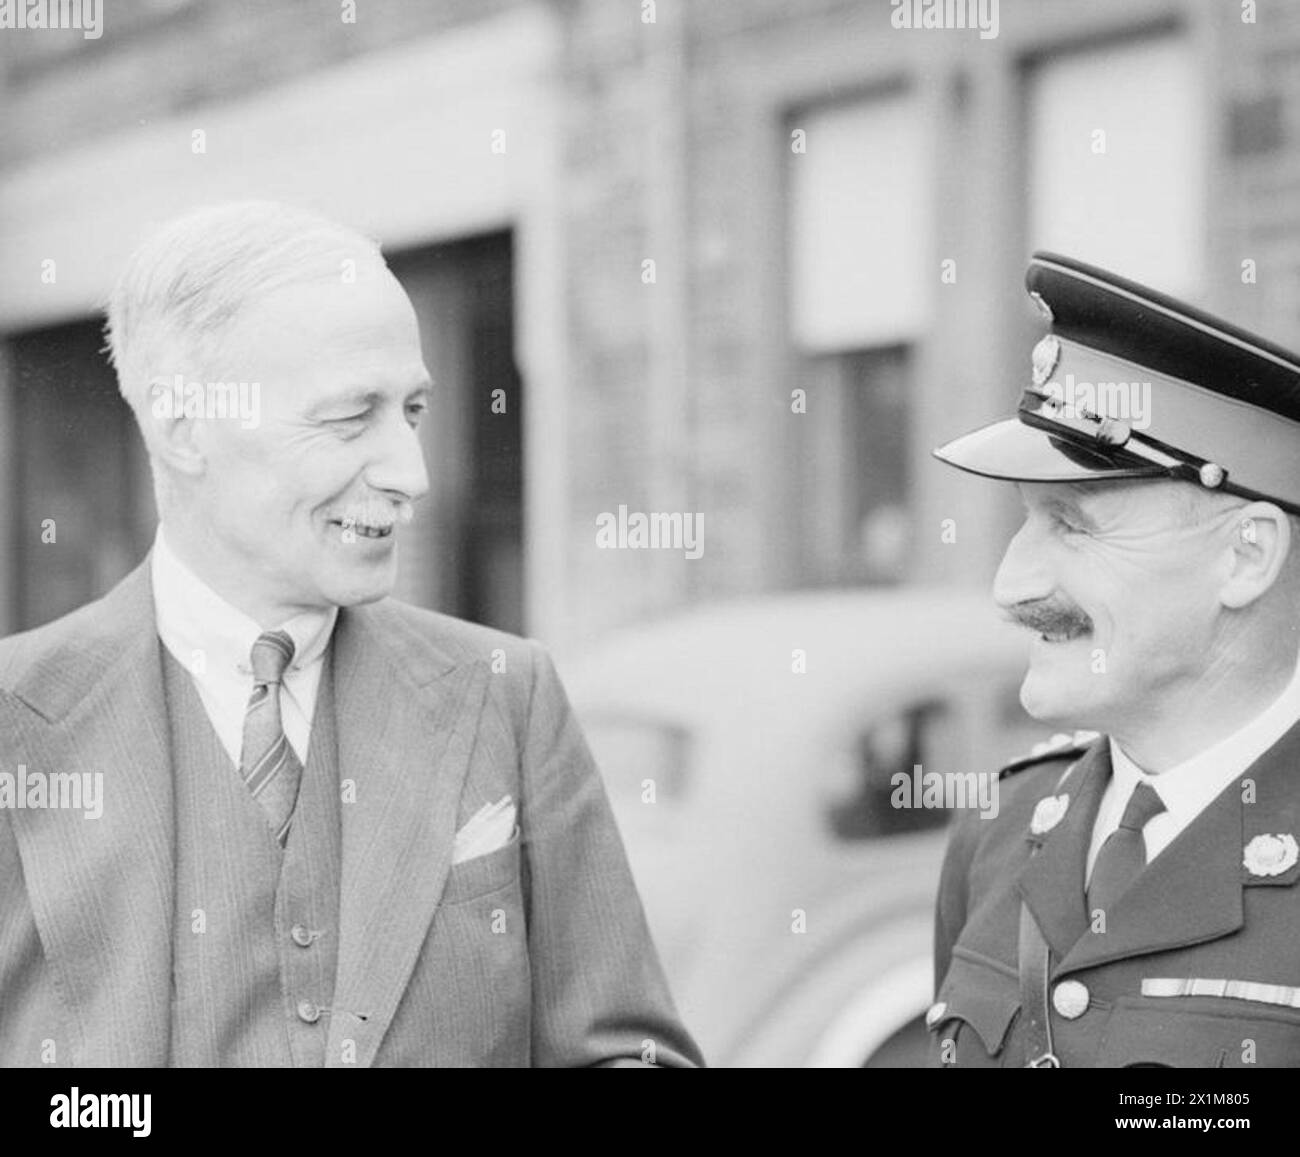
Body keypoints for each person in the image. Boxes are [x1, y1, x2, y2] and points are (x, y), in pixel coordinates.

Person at [0, 200, 702, 1068]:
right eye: (347, 418)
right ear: (183, 425)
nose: (413, 474)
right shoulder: (14, 723)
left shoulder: (505, 692)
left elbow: (625, 1053)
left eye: (410, 411)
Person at [927, 251, 1300, 1068]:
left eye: (1074, 525)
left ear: (1245, 555)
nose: (1010, 584)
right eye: (1027, 522)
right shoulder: (1002, 829)